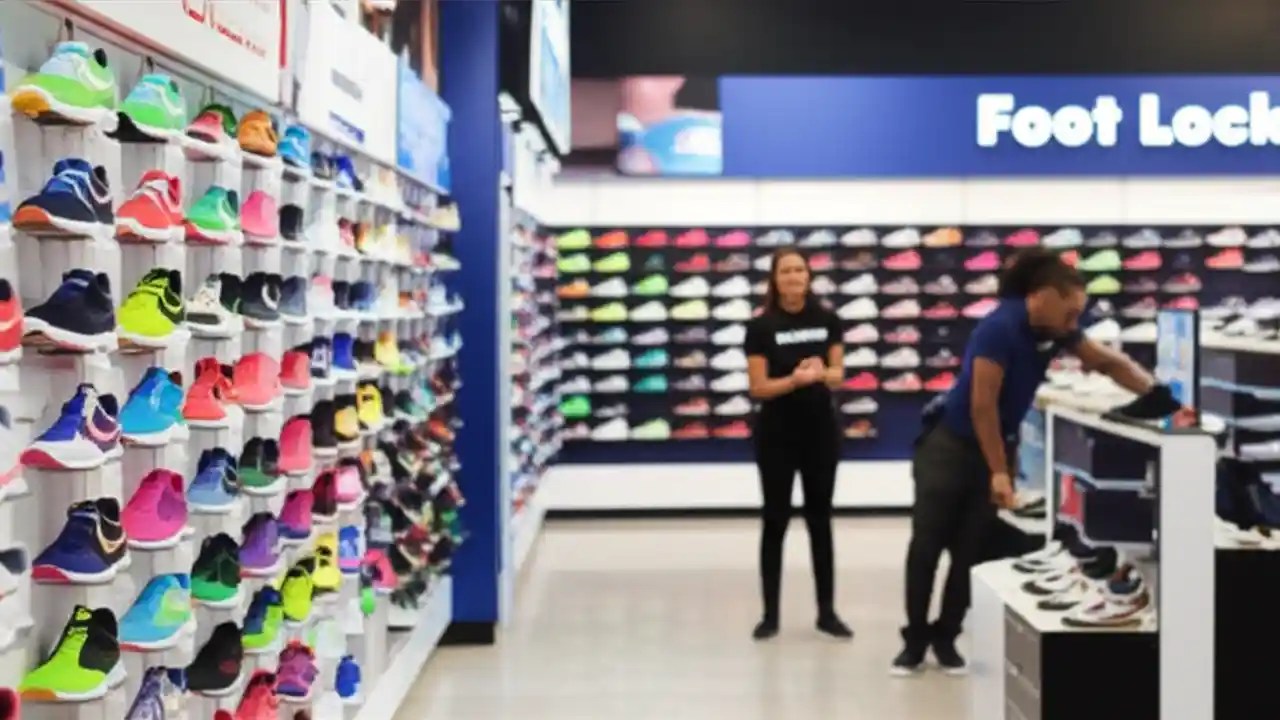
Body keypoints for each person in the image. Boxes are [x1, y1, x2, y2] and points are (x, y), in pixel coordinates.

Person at [891, 248, 1156, 675]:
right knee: (927, 545)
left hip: (993, 447)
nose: (1075, 324)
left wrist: (1158, 395)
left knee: (970, 549)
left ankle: (947, 638)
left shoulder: (1055, 327)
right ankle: (914, 641)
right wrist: (999, 470)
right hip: (950, 447)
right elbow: (982, 405)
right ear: (1042, 296)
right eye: (1070, 313)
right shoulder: (999, 327)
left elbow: (1105, 361)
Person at [744, 247, 852, 640]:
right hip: (776, 435)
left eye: (799, 270)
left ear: (809, 276)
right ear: (774, 279)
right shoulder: (760, 327)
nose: (793, 277)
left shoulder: (828, 320)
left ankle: (827, 612)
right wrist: (794, 380)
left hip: (820, 433)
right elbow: (758, 387)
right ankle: (770, 614)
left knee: (820, 521)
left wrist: (823, 373)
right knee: (775, 521)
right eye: (785, 271)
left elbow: (839, 374)